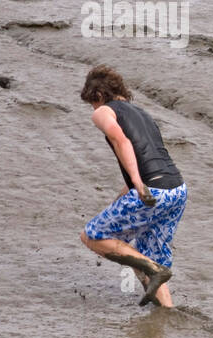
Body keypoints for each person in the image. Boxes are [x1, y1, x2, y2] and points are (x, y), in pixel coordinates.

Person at [79, 66, 187, 307]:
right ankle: (165, 314)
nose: (94, 110)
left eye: (92, 103)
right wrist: (126, 191)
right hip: (177, 190)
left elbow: (121, 140)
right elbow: (151, 156)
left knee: (92, 236)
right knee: (149, 255)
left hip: (151, 190)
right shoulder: (142, 114)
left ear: (97, 95)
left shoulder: (104, 111)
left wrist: (138, 184)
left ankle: (154, 269)